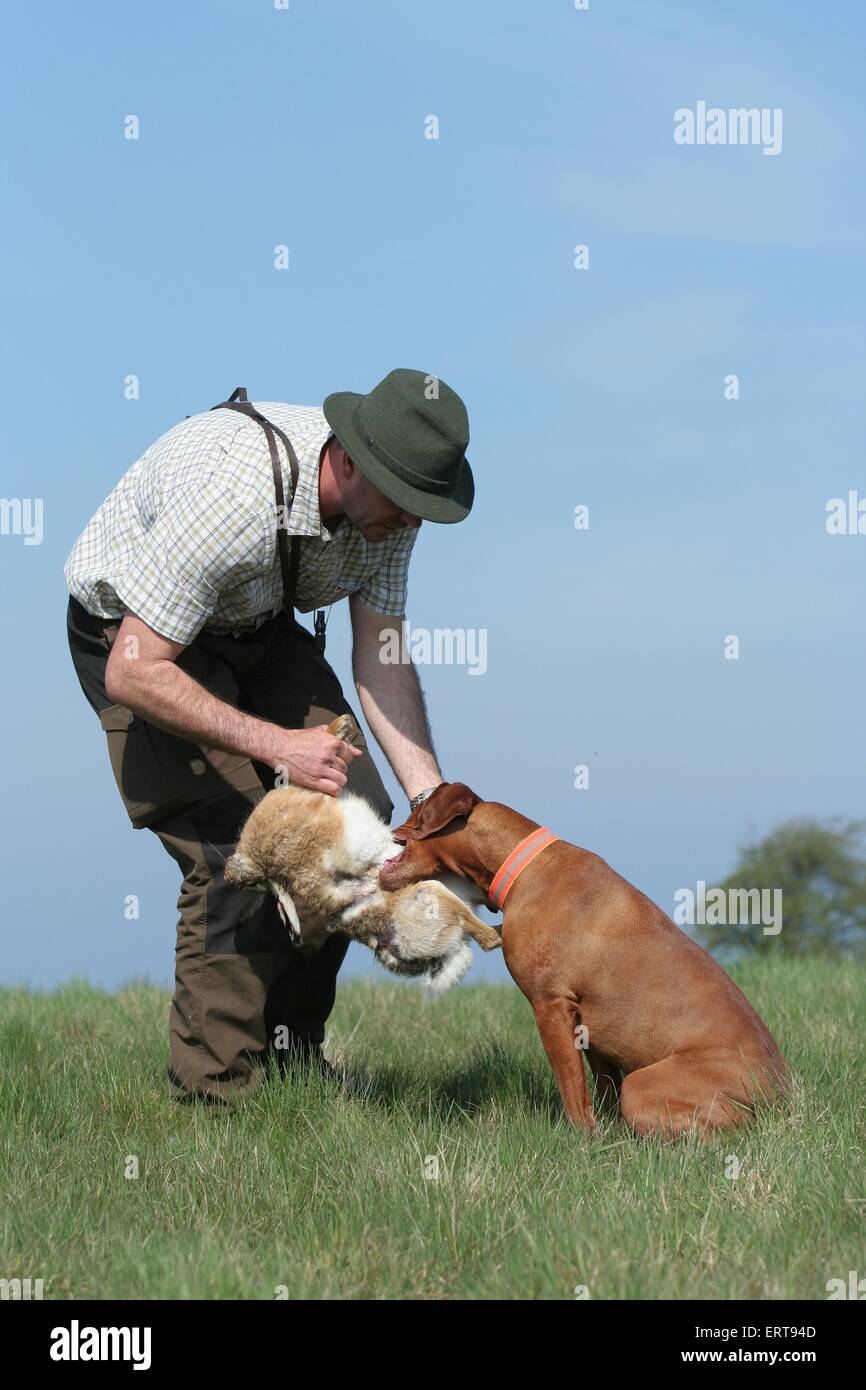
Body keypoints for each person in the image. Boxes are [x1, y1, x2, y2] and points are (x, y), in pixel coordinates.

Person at [64, 367, 474, 1103]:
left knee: (357, 837)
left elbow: (381, 657)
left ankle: (291, 1060)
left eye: (425, 507)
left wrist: (431, 804)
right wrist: (280, 748)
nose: (413, 522)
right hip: (135, 643)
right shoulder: (232, 495)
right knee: (238, 851)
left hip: (257, 625)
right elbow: (134, 669)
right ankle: (216, 1095)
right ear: (347, 460)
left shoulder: (389, 508)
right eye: (406, 504)